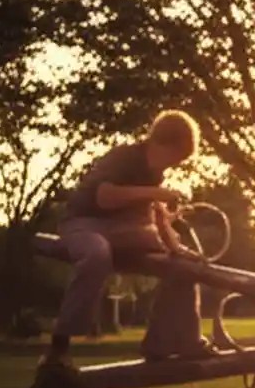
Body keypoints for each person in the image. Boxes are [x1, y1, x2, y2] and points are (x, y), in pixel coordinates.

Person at [42, 110, 216, 368]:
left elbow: (155, 213)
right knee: (96, 253)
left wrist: (175, 246)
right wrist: (155, 192)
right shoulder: (124, 157)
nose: (174, 165)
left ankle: (171, 342)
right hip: (84, 224)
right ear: (161, 143)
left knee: (183, 267)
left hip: (125, 230)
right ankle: (60, 345)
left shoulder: (155, 172)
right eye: (176, 157)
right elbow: (105, 197)